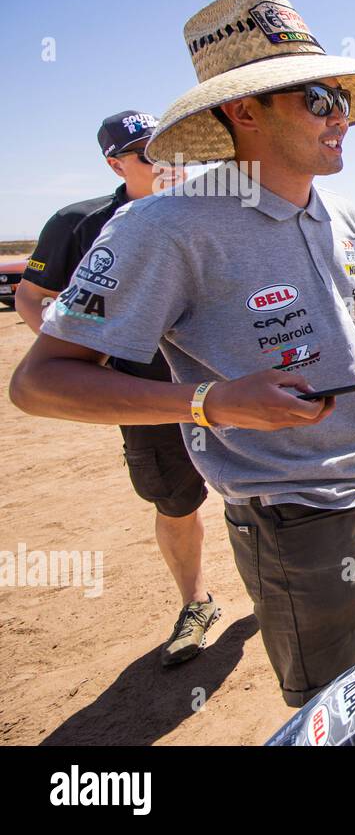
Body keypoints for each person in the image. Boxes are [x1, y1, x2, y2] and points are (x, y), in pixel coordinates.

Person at [9, 0, 355, 707]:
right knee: (334, 702)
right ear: (243, 110)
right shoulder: (164, 228)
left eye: (343, 99)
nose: (341, 117)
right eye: (319, 97)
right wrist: (211, 402)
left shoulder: (345, 212)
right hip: (291, 509)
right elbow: (40, 383)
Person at [17, 111, 220, 668]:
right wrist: (84, 350)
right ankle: (196, 602)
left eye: (174, 149)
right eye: (149, 154)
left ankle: (282, 595)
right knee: (175, 501)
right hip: (147, 396)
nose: (170, 164)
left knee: (266, 491)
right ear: (115, 164)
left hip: (230, 387)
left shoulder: (217, 210)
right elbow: (32, 296)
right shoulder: (79, 223)